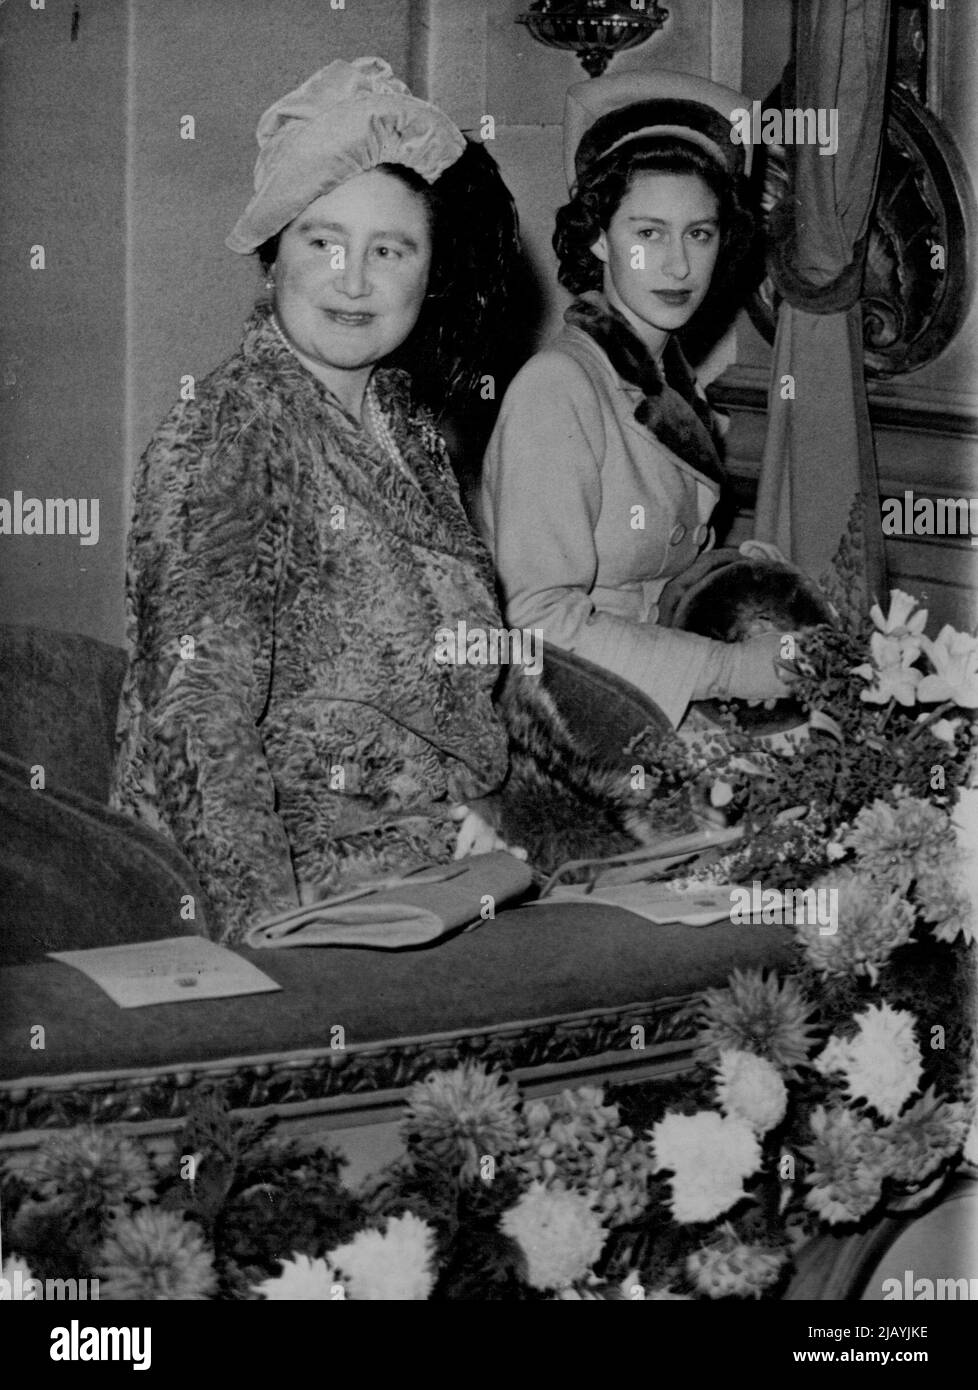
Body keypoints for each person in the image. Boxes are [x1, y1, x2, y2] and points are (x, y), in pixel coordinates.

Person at [110, 58, 524, 943]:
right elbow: (198, 721)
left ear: (427, 271)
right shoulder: (228, 433)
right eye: (322, 242)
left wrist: (499, 819)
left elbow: (461, 678)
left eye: (390, 250)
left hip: (433, 877)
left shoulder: (405, 424)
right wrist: (270, 943)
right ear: (273, 258)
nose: (353, 280)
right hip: (290, 900)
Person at [480, 71, 796, 731]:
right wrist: (730, 668)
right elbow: (538, 626)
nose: (679, 266)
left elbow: (649, 572)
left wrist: (729, 579)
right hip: (572, 728)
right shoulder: (559, 387)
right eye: (649, 233)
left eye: (700, 234)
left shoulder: (667, 380)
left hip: (649, 703)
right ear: (600, 237)